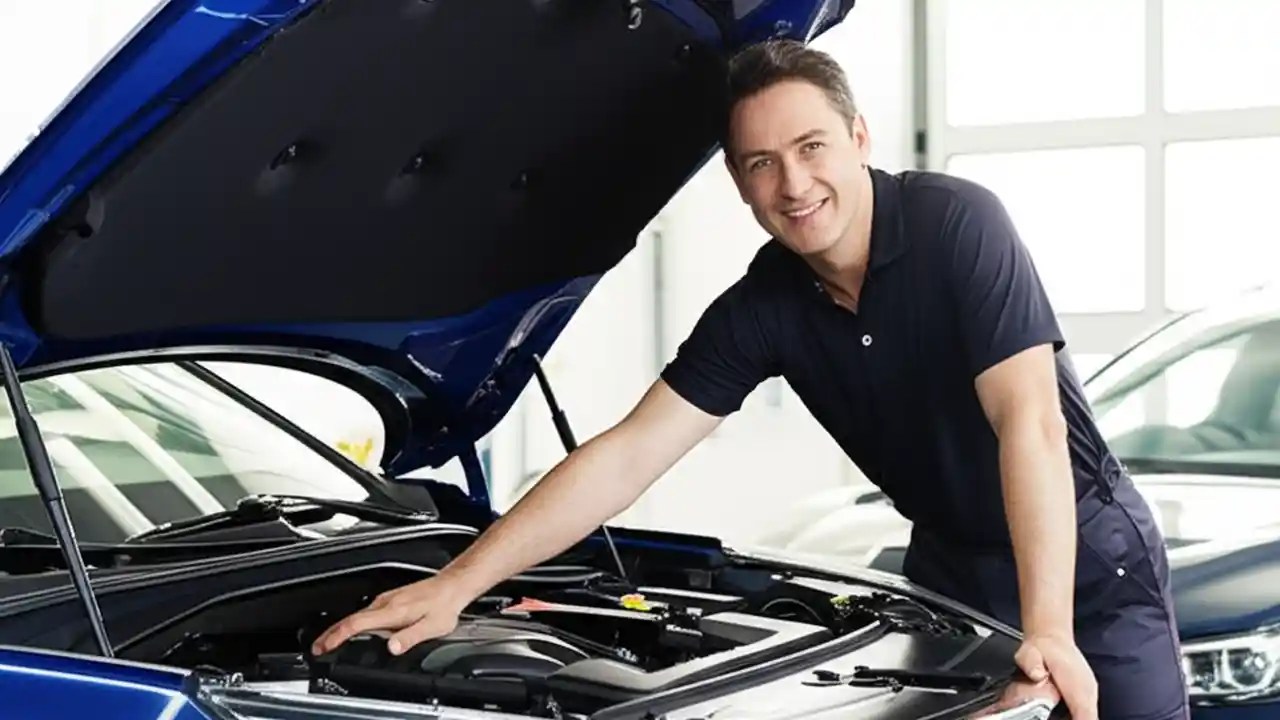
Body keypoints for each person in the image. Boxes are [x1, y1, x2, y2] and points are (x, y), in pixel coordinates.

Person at [312, 40, 1189, 720]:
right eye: (760, 163)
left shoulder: (958, 226)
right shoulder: (762, 306)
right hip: (953, 566)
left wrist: (1048, 627)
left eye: (810, 146)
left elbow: (1027, 425)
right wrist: (459, 585)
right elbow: (626, 455)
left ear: (857, 137)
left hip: (1084, 563)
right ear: (737, 182)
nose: (793, 183)